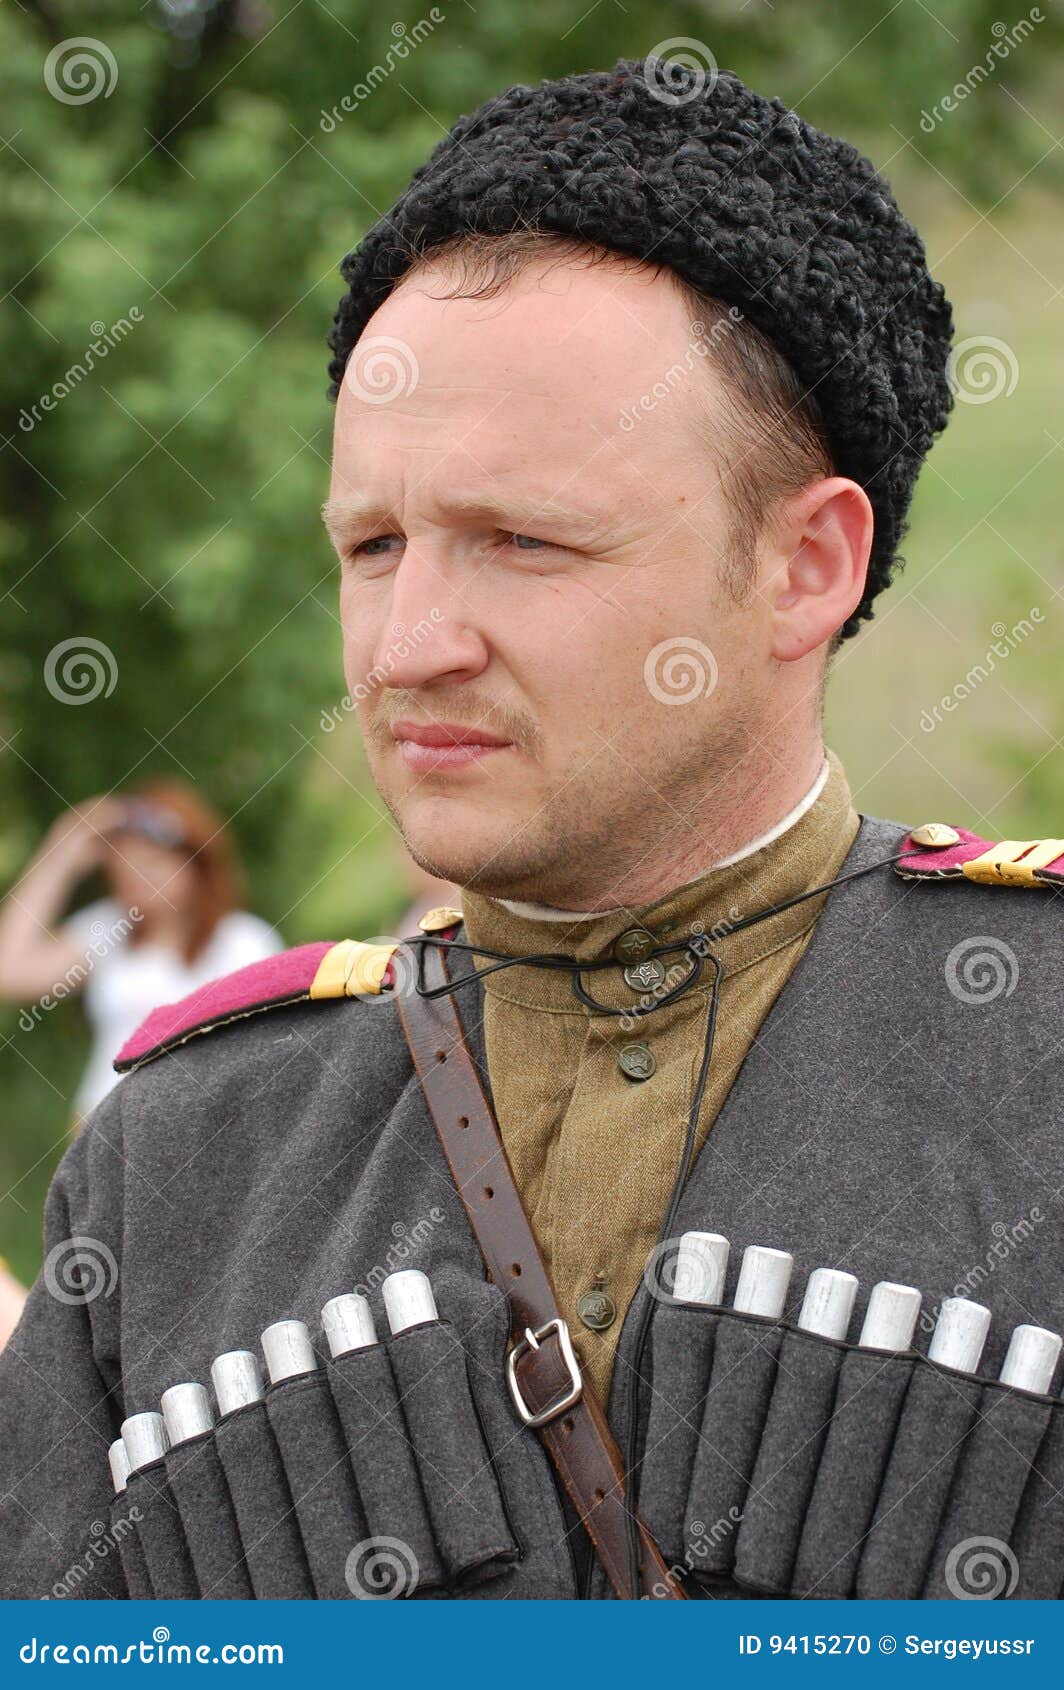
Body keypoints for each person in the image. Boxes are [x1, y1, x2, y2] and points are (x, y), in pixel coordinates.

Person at [0, 59, 1061, 1603]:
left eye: (524, 542)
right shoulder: (177, 1160)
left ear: (805, 567)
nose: (406, 642)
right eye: (374, 544)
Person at [0, 780, 284, 1132]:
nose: (136, 879)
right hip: (99, 1135)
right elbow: (9, 972)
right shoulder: (108, 931)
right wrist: (61, 853)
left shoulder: (243, 941)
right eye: (124, 867)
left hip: (202, 1135)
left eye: (150, 863)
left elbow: (270, 1050)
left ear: (195, 864)